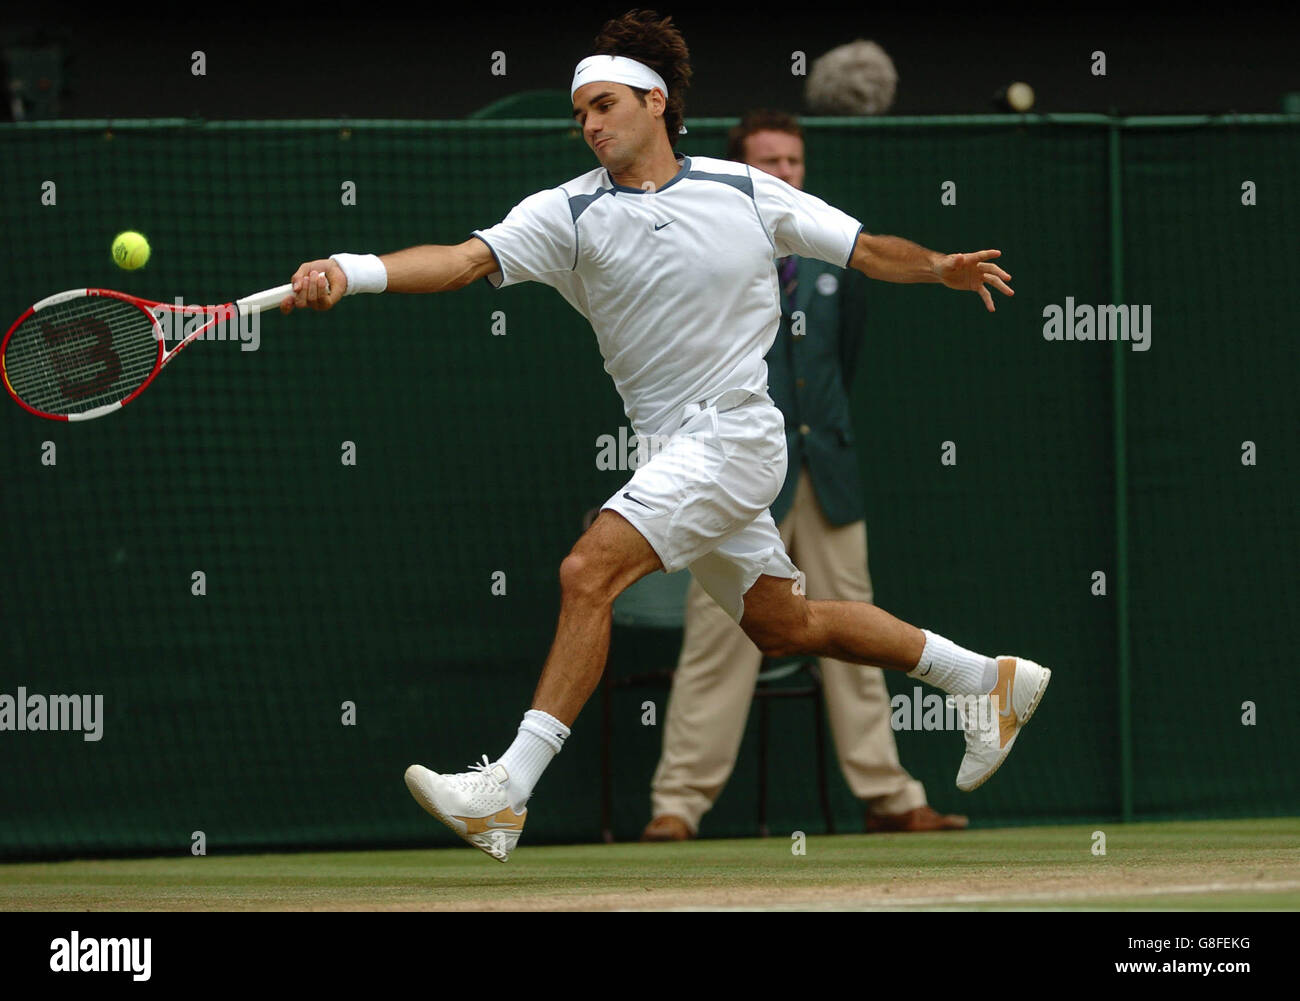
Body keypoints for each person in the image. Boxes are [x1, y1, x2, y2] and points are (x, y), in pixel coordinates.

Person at [281, 9, 1048, 863]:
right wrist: (350, 273)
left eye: (604, 105)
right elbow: (461, 261)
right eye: (580, 114)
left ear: (654, 102)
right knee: (784, 625)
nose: (590, 125)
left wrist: (941, 267)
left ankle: (507, 791)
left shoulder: (747, 189)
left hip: (736, 436)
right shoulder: (565, 211)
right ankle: (986, 681)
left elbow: (864, 250)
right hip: (670, 448)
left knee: (587, 570)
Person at [641, 110, 967, 843]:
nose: (784, 174)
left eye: (794, 161)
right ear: (738, 173)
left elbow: (837, 366)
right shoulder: (704, 250)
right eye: (769, 163)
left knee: (860, 631)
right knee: (717, 638)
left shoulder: (829, 255)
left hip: (826, 475)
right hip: (731, 478)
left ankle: (890, 795)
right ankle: (677, 806)